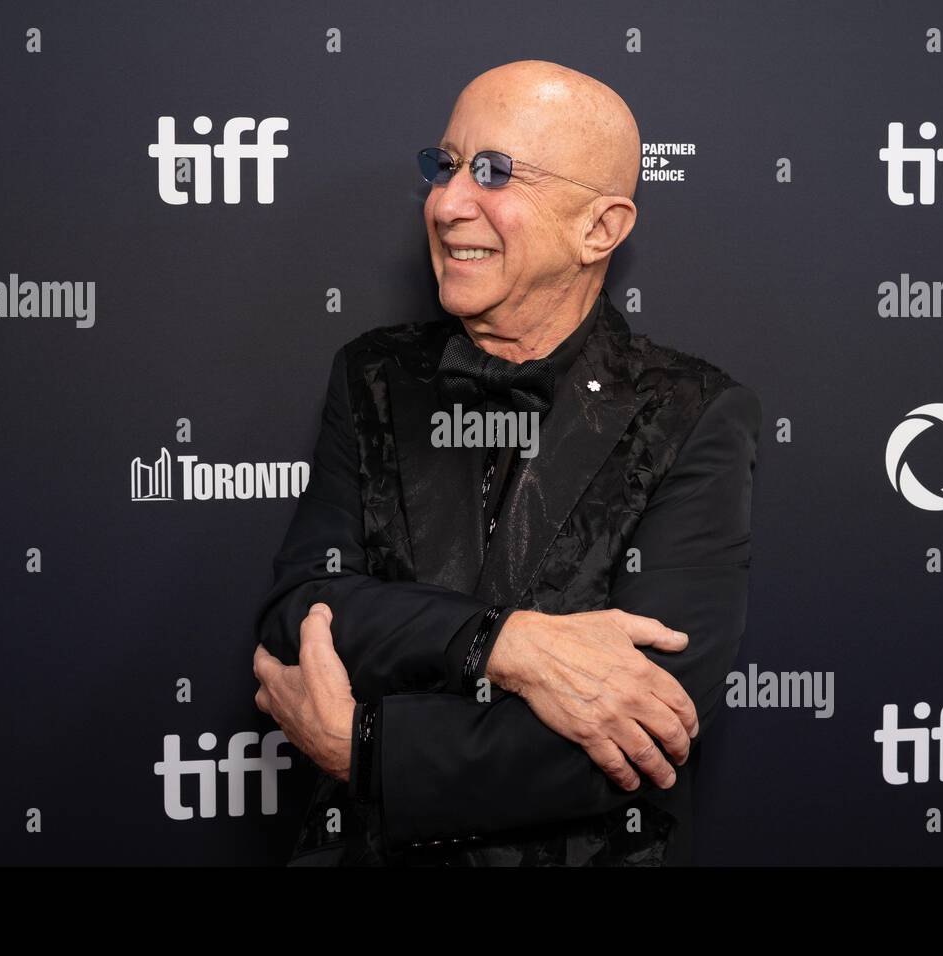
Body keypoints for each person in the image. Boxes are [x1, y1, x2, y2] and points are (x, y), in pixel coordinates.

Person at [252, 59, 762, 866]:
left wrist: (369, 747)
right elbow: (303, 611)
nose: (448, 204)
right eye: (446, 166)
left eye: (495, 173)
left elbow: (648, 728)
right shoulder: (373, 375)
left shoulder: (694, 412)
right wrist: (504, 643)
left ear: (600, 228)